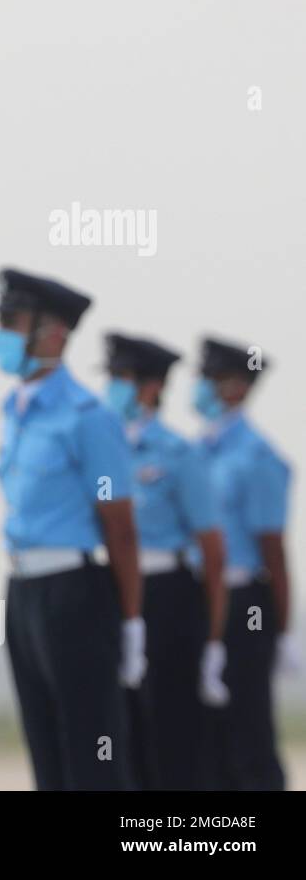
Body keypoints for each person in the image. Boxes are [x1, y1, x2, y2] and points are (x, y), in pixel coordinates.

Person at [0, 268, 143, 790]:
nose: (2, 334)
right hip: (24, 591)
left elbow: (120, 529)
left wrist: (132, 620)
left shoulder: (88, 416)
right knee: (45, 745)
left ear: (52, 332)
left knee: (91, 749)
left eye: (14, 322)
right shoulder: (16, 410)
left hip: (74, 593)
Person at [102, 333, 227, 790]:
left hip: (168, 596)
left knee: (171, 729)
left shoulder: (179, 454)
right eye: (111, 376)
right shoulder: (101, 447)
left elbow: (213, 552)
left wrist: (214, 640)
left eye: (122, 378)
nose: (112, 387)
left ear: (151, 387)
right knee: (120, 731)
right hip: (111, 592)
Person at [194, 337, 294, 790]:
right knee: (207, 734)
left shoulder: (256, 457)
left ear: (236, 388)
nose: (200, 389)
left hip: (244, 603)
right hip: (199, 597)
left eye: (210, 381)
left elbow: (273, 550)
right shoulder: (196, 452)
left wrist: (283, 628)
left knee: (249, 726)